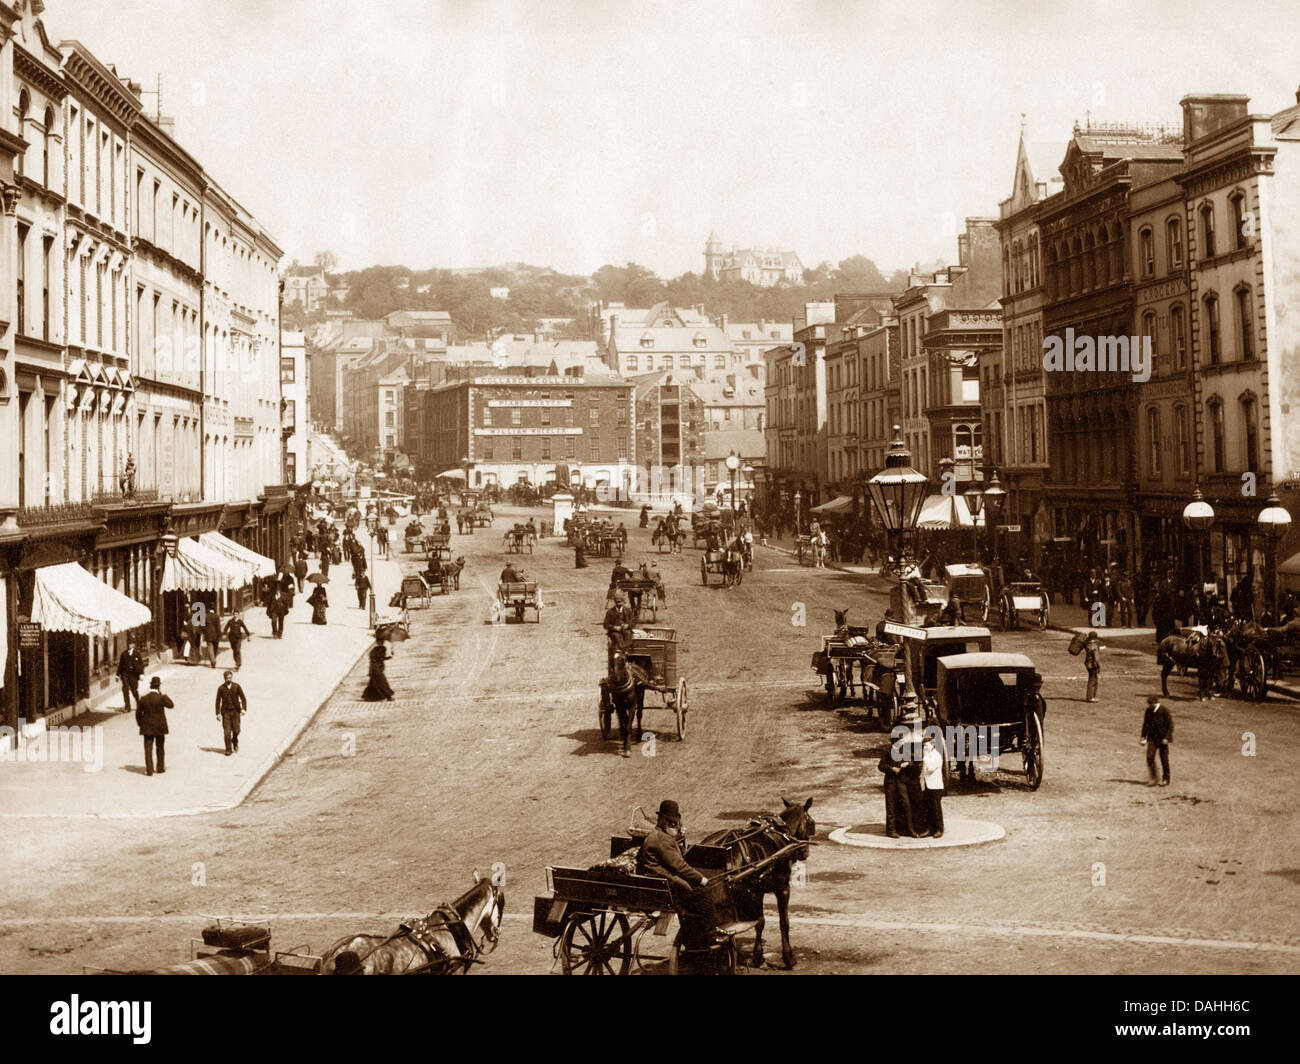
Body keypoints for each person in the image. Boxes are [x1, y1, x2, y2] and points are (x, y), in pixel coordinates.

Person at [636, 800, 708, 891]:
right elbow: (678, 865)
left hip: (657, 869)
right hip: (657, 873)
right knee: (688, 888)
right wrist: (700, 879)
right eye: (672, 823)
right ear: (663, 821)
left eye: (675, 823)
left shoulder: (660, 833)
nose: (675, 826)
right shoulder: (662, 838)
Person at [136, 676, 172, 776]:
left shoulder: (144, 698)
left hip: (147, 727)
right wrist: (163, 694)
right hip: (160, 727)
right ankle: (160, 768)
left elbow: (138, 714)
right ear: (159, 686)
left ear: (151, 685)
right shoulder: (161, 698)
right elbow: (171, 705)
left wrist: (141, 724)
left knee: (148, 748)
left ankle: (149, 770)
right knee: (160, 747)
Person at [1140, 695, 1173, 786]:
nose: (1150, 707)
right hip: (1152, 738)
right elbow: (1146, 724)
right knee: (1149, 757)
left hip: (1162, 739)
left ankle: (1166, 779)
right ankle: (1154, 778)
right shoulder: (1148, 711)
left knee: (1164, 760)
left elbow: (1170, 726)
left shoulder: (1164, 710)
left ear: (1155, 703)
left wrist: (1167, 738)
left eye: (1151, 705)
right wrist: (1143, 737)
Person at [215, 670, 247, 756]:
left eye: (229, 678)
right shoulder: (221, 688)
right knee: (227, 732)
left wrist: (243, 708)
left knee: (237, 730)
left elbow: (243, 698)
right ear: (224, 678)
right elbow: (218, 701)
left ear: (232, 677)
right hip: (226, 713)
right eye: (226, 678)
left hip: (236, 712)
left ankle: (235, 740)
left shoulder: (236, 687)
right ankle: (228, 749)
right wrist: (217, 713)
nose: (228, 679)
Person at [920, 733, 945, 838]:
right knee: (928, 808)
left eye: (927, 745)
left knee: (936, 808)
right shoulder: (928, 755)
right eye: (924, 746)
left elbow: (930, 769)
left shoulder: (936, 756)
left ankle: (939, 829)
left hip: (935, 786)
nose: (925, 748)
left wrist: (924, 758)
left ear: (933, 745)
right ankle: (929, 829)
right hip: (928, 785)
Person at [603, 592, 633, 670]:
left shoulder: (628, 610)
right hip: (615, 631)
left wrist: (628, 625)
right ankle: (621, 651)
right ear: (615, 602)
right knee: (616, 636)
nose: (619, 604)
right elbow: (606, 625)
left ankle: (627, 651)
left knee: (628, 633)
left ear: (623, 602)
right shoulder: (610, 612)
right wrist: (615, 627)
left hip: (625, 629)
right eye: (617, 602)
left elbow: (633, 621)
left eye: (620, 602)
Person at [362, 635, 395, 702]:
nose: (381, 643)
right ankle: (388, 696)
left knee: (374, 683)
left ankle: (368, 696)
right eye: (380, 641)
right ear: (377, 642)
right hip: (376, 668)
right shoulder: (379, 649)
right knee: (382, 682)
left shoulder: (379, 649)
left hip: (376, 667)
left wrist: (390, 656)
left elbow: (381, 658)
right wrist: (388, 657)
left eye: (382, 642)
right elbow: (379, 658)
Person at [116, 640, 144, 714]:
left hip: (133, 674)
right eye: (128, 644)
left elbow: (141, 664)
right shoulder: (124, 654)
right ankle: (127, 706)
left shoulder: (137, 654)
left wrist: (141, 673)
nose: (129, 645)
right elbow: (120, 665)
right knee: (125, 689)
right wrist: (117, 675)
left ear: (134, 645)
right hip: (125, 674)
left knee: (134, 690)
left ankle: (139, 703)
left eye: (131, 644)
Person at [1083, 631, 1101, 703]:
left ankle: (1092, 696)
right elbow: (1096, 659)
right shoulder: (1094, 646)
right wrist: (1099, 666)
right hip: (1093, 665)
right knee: (1092, 680)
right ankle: (1090, 697)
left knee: (1093, 679)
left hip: (1087, 663)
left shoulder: (1088, 644)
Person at [204, 603, 222, 668]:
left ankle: (212, 661)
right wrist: (220, 635)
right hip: (215, 635)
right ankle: (214, 658)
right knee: (215, 648)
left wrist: (204, 632)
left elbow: (203, 626)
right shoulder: (216, 616)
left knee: (210, 648)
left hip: (208, 635)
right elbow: (218, 627)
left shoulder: (205, 616)